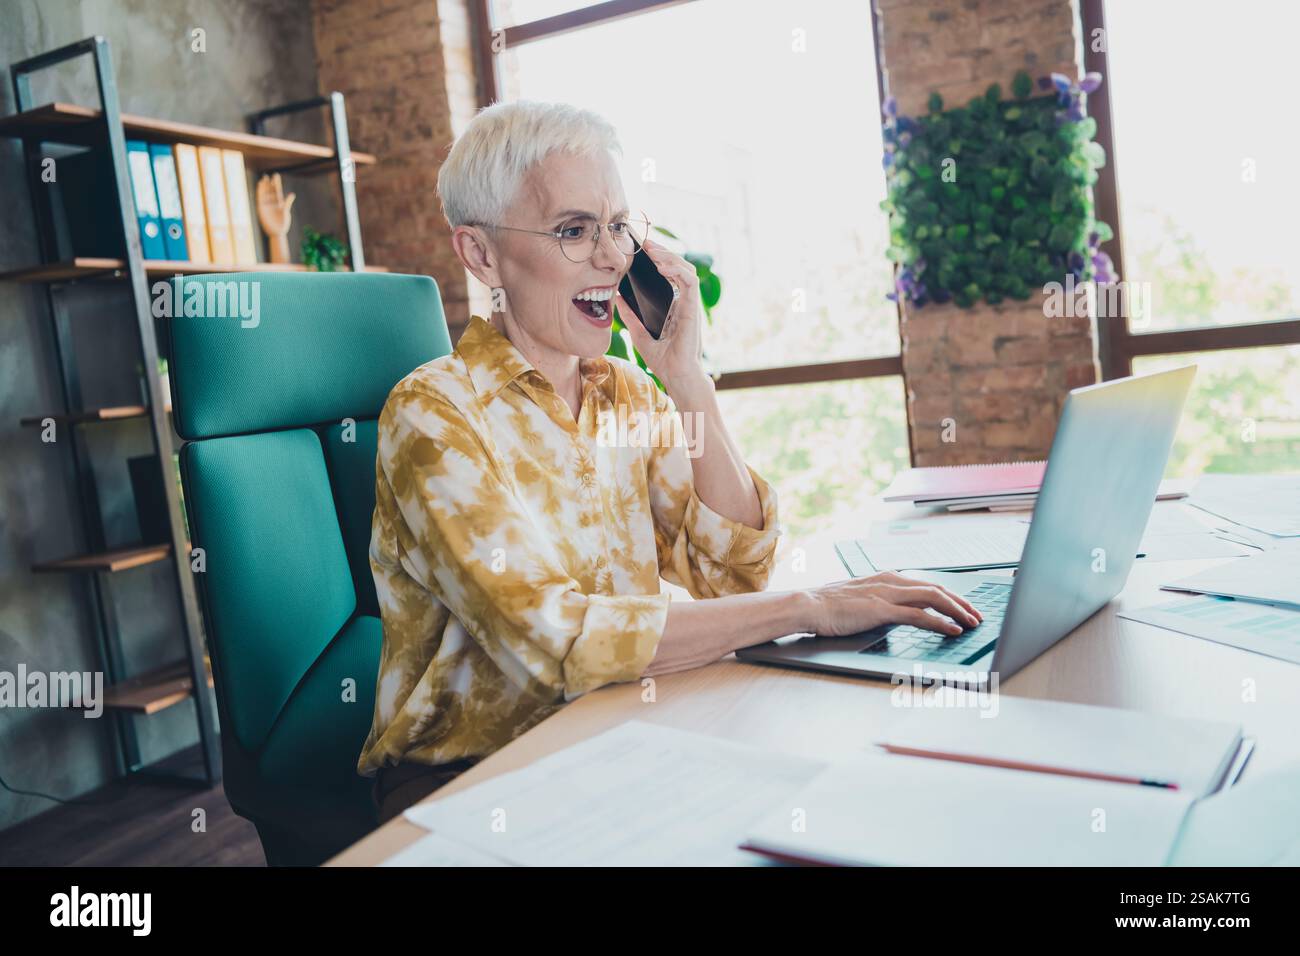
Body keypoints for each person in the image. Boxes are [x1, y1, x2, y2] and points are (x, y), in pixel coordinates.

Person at [358, 100, 981, 823]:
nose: (613, 256)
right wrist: (810, 607)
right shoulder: (434, 412)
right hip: (471, 775)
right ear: (481, 254)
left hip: (619, 729)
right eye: (573, 230)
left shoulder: (627, 392)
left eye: (619, 226)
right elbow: (558, 645)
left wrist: (687, 378)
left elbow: (730, 573)